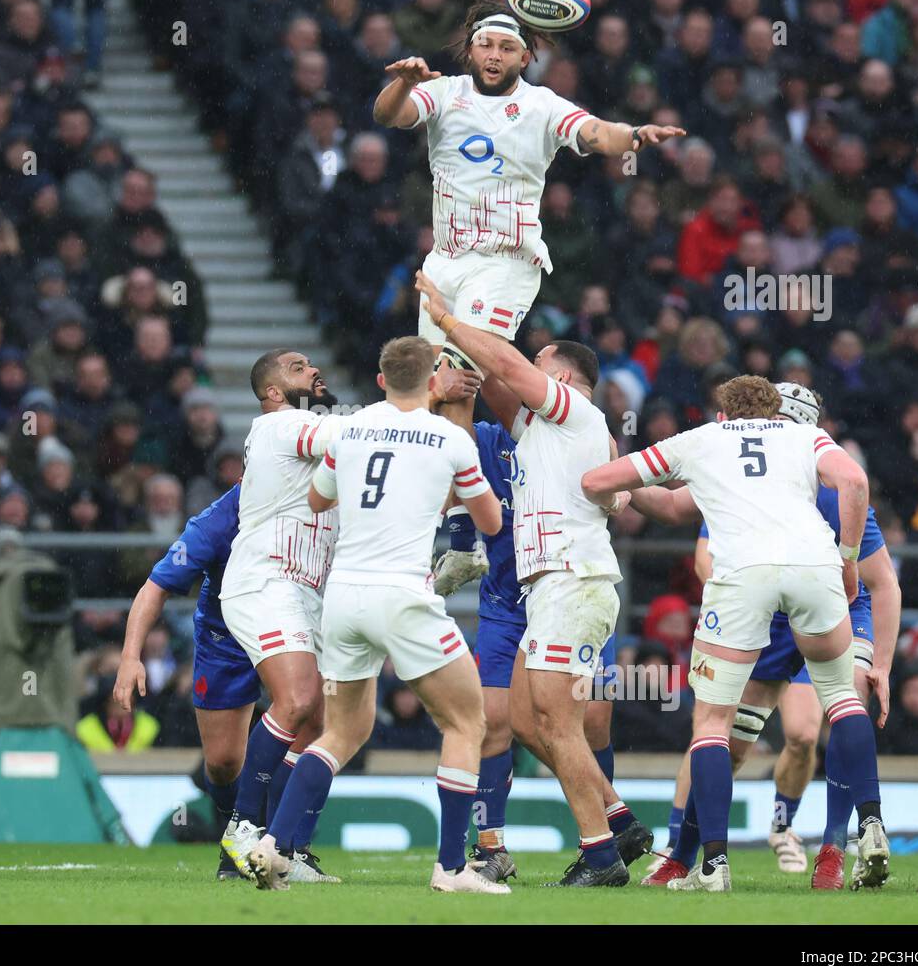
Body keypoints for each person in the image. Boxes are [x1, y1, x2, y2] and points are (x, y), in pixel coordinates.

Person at [372, 0, 683, 587]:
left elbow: (593, 132)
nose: (495, 56)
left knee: (466, 363)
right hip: (446, 262)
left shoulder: (540, 105)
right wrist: (402, 83)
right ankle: (464, 536)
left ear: (526, 55)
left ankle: (466, 530)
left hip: (508, 260)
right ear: (471, 49)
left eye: (508, 48)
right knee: (441, 390)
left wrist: (633, 135)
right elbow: (389, 115)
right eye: (486, 45)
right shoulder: (444, 94)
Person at [582, 375, 889, 893]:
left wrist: (605, 472)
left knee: (713, 723)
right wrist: (849, 559)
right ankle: (868, 825)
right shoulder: (806, 439)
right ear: (776, 410)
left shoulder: (703, 438)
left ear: (724, 410)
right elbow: (855, 483)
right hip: (816, 571)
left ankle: (712, 865)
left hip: (744, 579)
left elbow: (599, 482)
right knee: (841, 701)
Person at [247, 336, 506, 893]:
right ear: (436, 379)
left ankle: (273, 844)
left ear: (382, 379)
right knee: (467, 721)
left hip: (343, 599)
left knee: (344, 731)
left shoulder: (356, 425)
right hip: (403, 598)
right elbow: (490, 523)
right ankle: (452, 869)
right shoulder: (449, 438)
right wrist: (442, 495)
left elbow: (318, 500)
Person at [417, 273, 652, 886]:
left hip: (573, 580)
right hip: (549, 587)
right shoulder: (543, 433)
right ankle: (618, 821)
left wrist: (447, 318)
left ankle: (601, 853)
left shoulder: (575, 412)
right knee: (524, 719)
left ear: (563, 381)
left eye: (542, 360)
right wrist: (458, 361)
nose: (531, 363)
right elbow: (493, 379)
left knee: (559, 723)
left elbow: (505, 364)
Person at [432, 375, 619, 884]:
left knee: (589, 721)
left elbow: (617, 500)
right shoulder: (494, 439)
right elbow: (454, 443)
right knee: (495, 720)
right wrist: (453, 385)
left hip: (568, 591)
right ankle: (493, 845)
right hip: (506, 602)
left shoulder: (588, 438)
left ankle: (608, 828)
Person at [114, 483, 337, 884]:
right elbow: (155, 587)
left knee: (311, 716)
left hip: (297, 626)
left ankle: (289, 847)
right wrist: (131, 656)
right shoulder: (218, 520)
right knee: (221, 763)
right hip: (226, 641)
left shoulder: (319, 501)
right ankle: (240, 837)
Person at [216, 349, 343, 875]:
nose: (314, 370)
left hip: (305, 590)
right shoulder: (280, 426)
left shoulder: (312, 440)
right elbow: (357, 439)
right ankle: (241, 828)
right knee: (295, 700)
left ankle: (281, 848)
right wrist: (417, 404)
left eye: (313, 363)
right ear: (272, 392)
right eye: (297, 368)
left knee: (320, 720)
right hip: (267, 579)